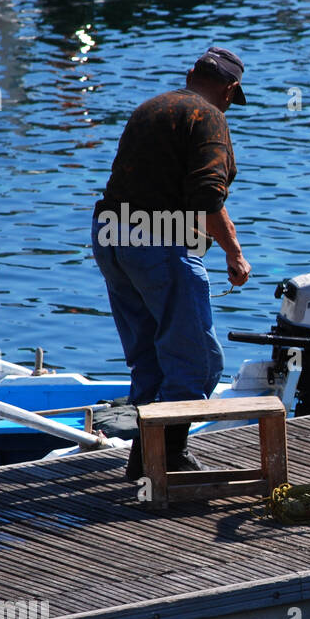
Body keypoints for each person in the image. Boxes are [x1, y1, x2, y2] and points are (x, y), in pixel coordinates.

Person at [91, 47, 252, 480]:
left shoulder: (153, 107)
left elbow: (182, 193)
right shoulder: (208, 117)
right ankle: (168, 461)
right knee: (196, 363)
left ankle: (143, 464)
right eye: (229, 99)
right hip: (157, 244)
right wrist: (234, 254)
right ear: (229, 88)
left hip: (111, 236)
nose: (226, 107)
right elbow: (205, 197)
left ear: (190, 74)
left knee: (150, 360)